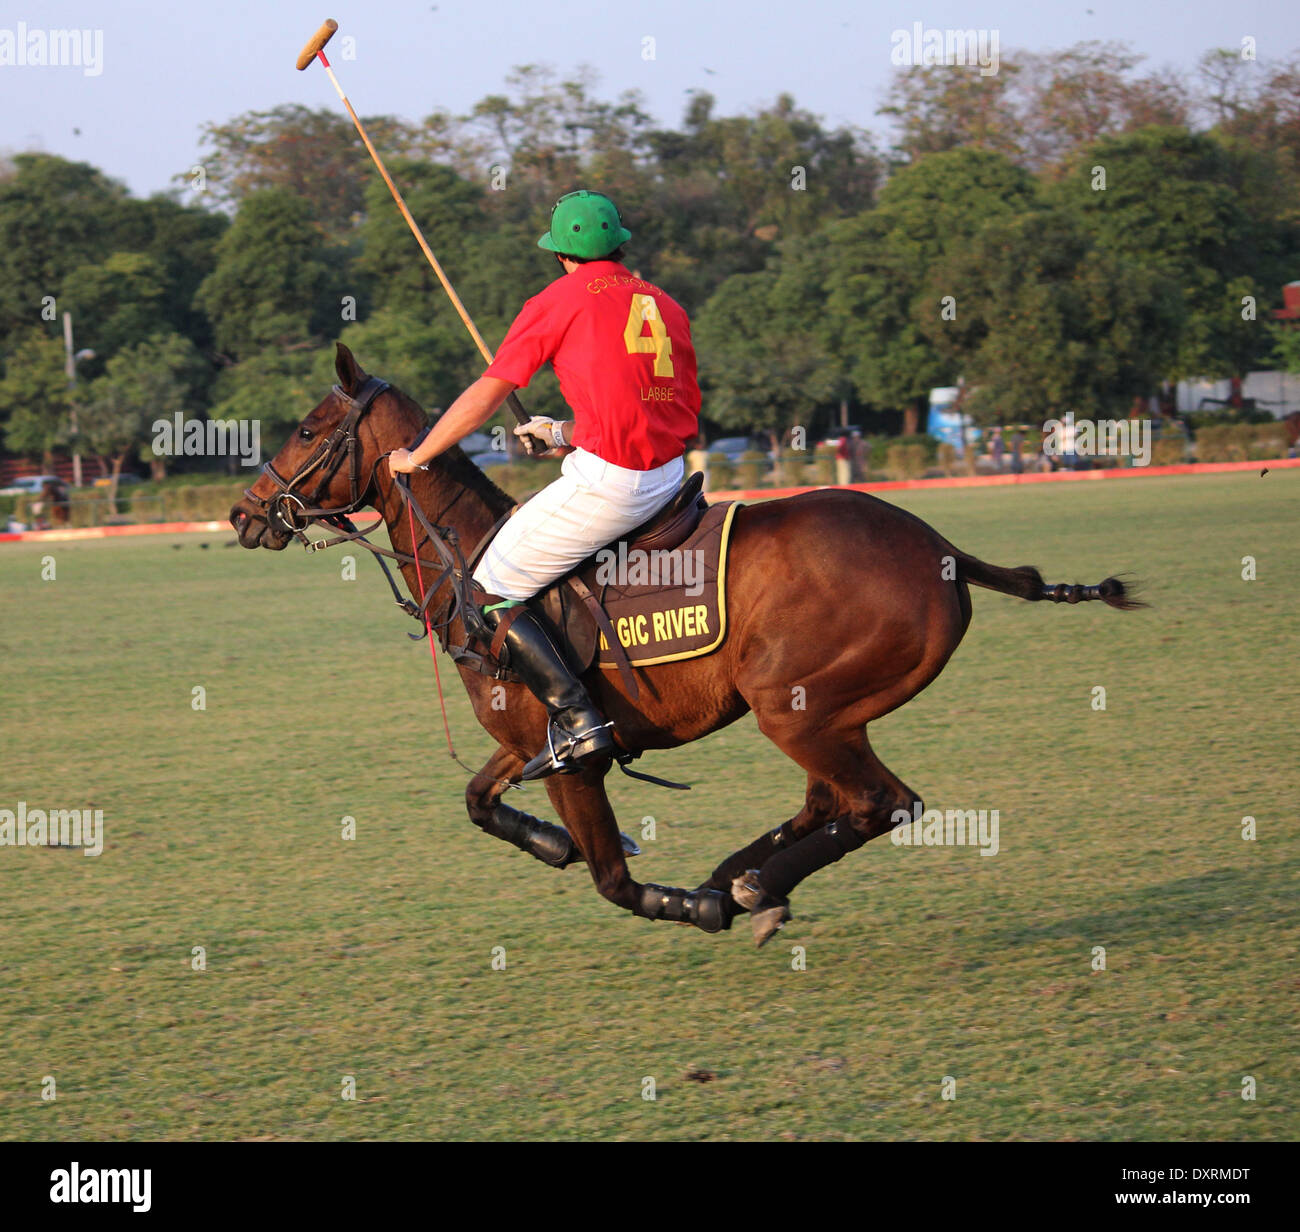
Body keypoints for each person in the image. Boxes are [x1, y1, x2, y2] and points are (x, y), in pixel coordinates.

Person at [388, 190, 701, 780]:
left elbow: (489, 391)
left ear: (559, 254)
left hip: (614, 482)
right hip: (667, 477)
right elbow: (650, 412)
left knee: (483, 586)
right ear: (620, 244)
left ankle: (581, 720)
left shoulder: (558, 300)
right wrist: (560, 431)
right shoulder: (664, 303)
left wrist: (418, 454)